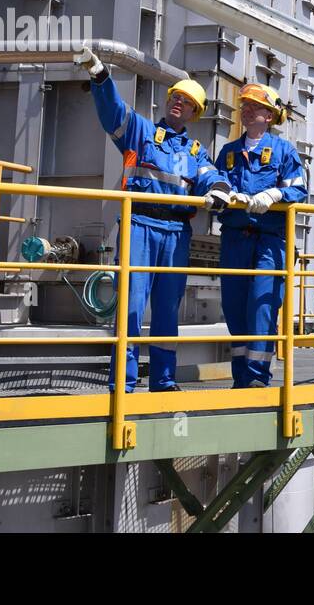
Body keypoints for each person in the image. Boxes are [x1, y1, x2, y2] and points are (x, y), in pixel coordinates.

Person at [75, 47, 232, 392]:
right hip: (139, 227)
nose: (179, 103)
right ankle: (124, 381)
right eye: (176, 97)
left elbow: (211, 176)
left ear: (194, 113)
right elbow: (113, 112)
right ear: (168, 100)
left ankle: (163, 379)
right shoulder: (142, 134)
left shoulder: (195, 153)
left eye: (186, 102)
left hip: (176, 233)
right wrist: (100, 75)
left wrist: (220, 189)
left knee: (166, 310)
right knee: (131, 307)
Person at [215, 83, 308, 388]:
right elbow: (219, 185)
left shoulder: (283, 151)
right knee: (234, 305)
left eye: (255, 106)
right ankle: (240, 377)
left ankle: (256, 378)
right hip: (234, 239)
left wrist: (273, 194)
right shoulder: (229, 153)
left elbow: (299, 189)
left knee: (262, 306)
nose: (247, 110)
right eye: (245, 105)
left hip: (270, 241)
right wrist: (217, 194)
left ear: (269, 115)